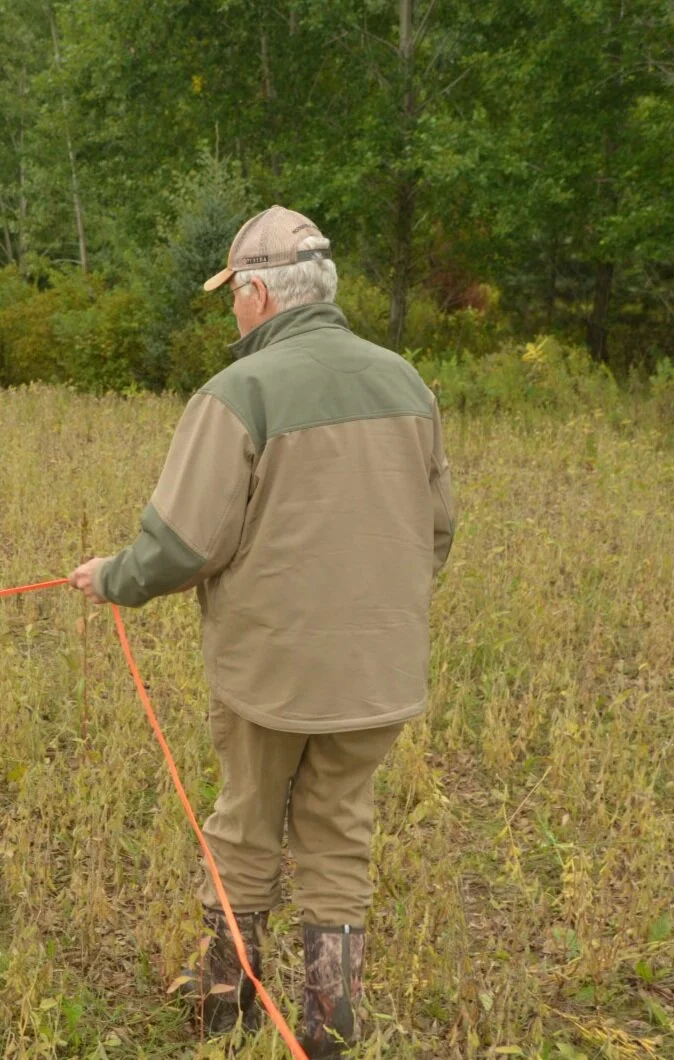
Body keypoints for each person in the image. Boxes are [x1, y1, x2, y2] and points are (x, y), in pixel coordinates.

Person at [68, 206, 455, 1054]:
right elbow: (437, 533)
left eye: (232, 296)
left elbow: (180, 544)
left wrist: (112, 580)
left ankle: (225, 1008)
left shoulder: (239, 391)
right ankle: (329, 1025)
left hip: (268, 676)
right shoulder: (407, 382)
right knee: (340, 832)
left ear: (255, 292)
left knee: (246, 825)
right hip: (379, 675)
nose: (232, 313)